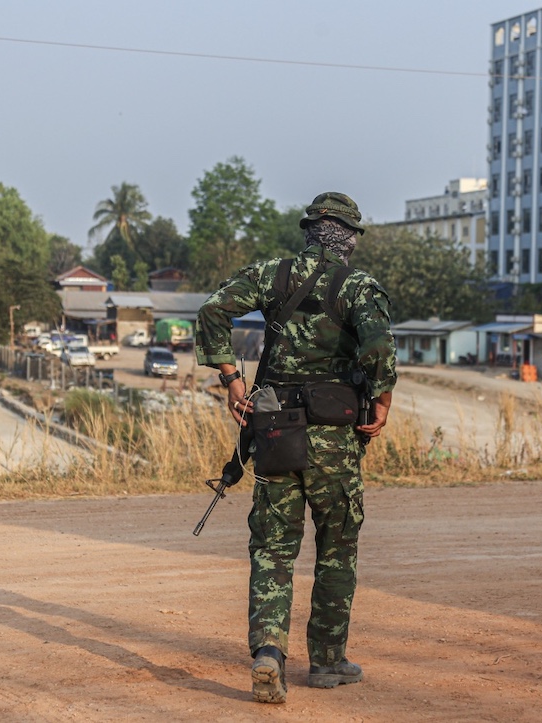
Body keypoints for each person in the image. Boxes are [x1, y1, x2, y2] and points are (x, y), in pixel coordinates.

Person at [195, 191, 397, 704]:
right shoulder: (358, 286)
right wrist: (383, 401)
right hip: (335, 441)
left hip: (276, 432)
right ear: (349, 238)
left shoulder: (271, 276)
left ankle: (268, 654)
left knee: (272, 549)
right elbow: (377, 348)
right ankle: (328, 663)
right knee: (336, 548)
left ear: (309, 232)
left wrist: (231, 380)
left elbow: (214, 310)